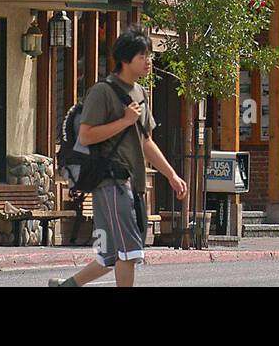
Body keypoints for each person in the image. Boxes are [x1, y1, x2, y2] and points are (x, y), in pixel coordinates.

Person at [50, 27, 187, 288]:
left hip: (131, 184)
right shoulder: (102, 92)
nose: (149, 61)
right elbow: (87, 136)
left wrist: (172, 175)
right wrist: (124, 121)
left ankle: (66, 285)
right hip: (110, 181)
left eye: (149, 55)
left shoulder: (141, 94)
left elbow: (146, 141)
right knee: (130, 250)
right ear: (125, 59)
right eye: (142, 55)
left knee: (110, 255)